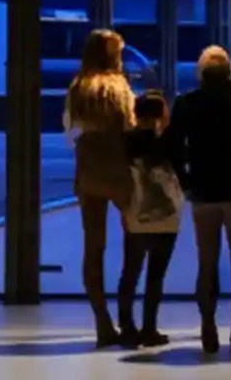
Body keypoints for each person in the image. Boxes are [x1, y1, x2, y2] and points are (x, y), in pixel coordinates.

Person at [161, 46, 231, 354]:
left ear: (201, 72)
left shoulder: (187, 103)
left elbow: (171, 146)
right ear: (229, 71)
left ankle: (207, 326)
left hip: (203, 190)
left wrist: (186, 178)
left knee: (207, 261)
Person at [64, 29, 136, 347]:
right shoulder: (119, 88)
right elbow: (130, 129)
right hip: (120, 171)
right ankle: (128, 318)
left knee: (94, 248)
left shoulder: (77, 88)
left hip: (89, 172)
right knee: (135, 244)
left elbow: (70, 133)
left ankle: (102, 321)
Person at [117, 91, 184, 349]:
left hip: (136, 214)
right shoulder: (168, 142)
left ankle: (127, 327)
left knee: (130, 272)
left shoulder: (127, 141)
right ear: (161, 115)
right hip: (166, 218)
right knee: (156, 277)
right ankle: (149, 328)